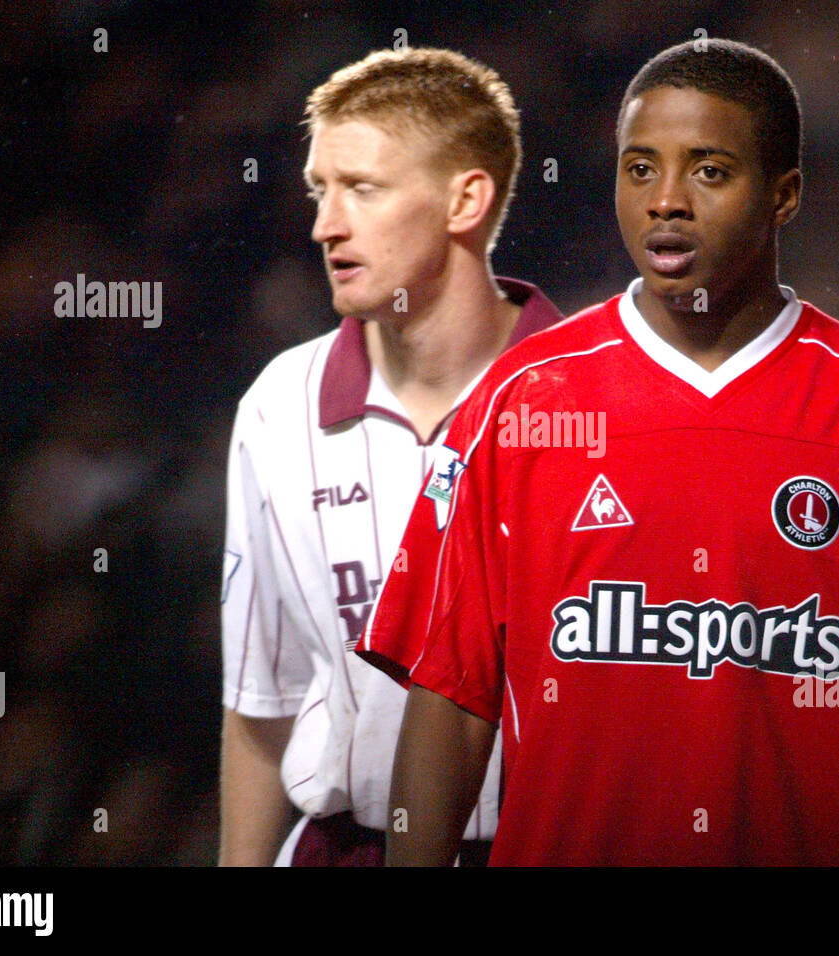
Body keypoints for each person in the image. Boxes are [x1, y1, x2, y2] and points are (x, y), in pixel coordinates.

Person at [358, 39, 839, 866]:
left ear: (785, 196)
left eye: (708, 170)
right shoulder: (522, 400)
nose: (665, 201)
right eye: (639, 169)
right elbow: (450, 695)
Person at [218, 47, 562, 866]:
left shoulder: (595, 404)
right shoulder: (278, 405)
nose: (324, 224)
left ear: (465, 199)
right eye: (319, 190)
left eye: (361, 190)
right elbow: (264, 707)